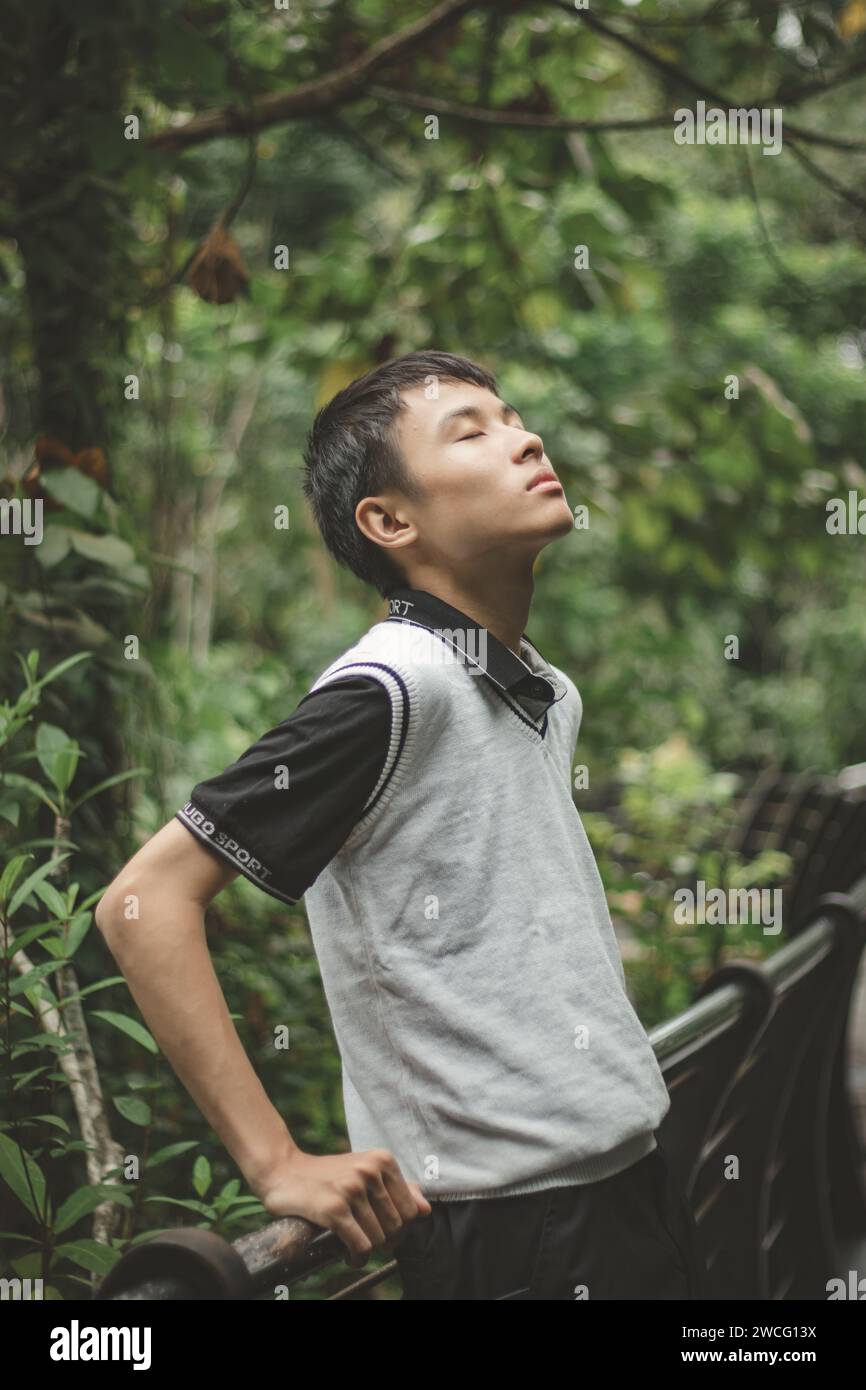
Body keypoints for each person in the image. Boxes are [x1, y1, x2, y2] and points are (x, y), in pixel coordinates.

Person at [96, 349, 709, 1300]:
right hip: (512, 1228)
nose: (524, 438)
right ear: (388, 520)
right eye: (472, 431)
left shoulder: (533, 687)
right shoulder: (395, 688)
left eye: (512, 419)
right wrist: (277, 1163)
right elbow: (143, 901)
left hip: (623, 1183)